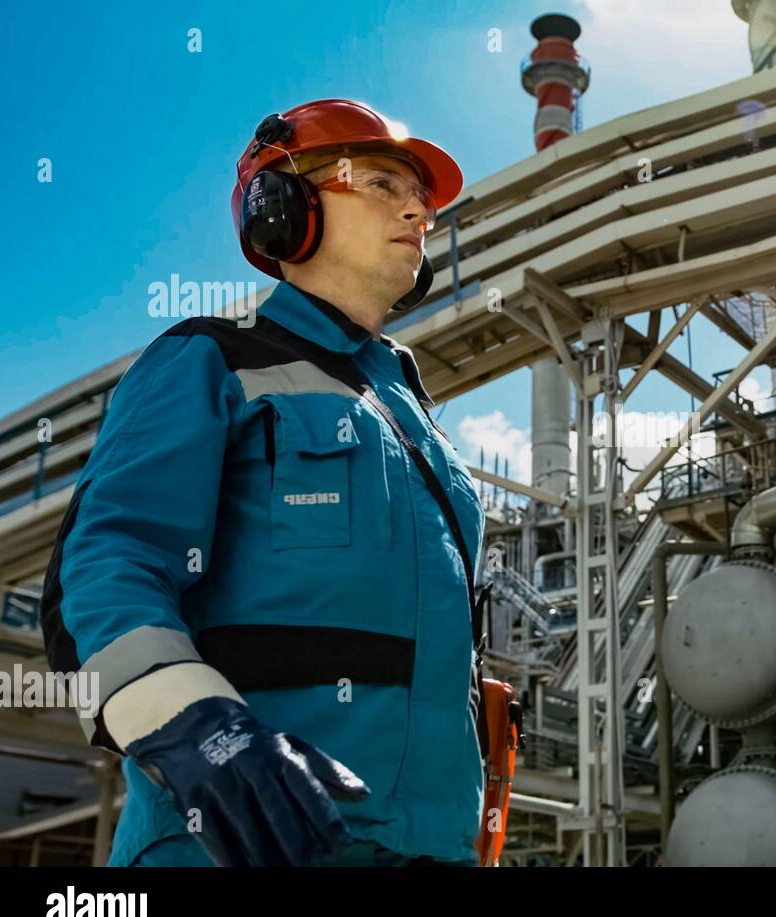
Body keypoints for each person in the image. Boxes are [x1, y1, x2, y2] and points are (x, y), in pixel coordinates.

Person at [41, 99, 486, 866]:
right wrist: (191, 726)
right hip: (232, 845)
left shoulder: (422, 425)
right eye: (382, 183)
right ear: (287, 209)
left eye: (421, 198)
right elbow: (109, 565)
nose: (418, 209)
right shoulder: (210, 362)